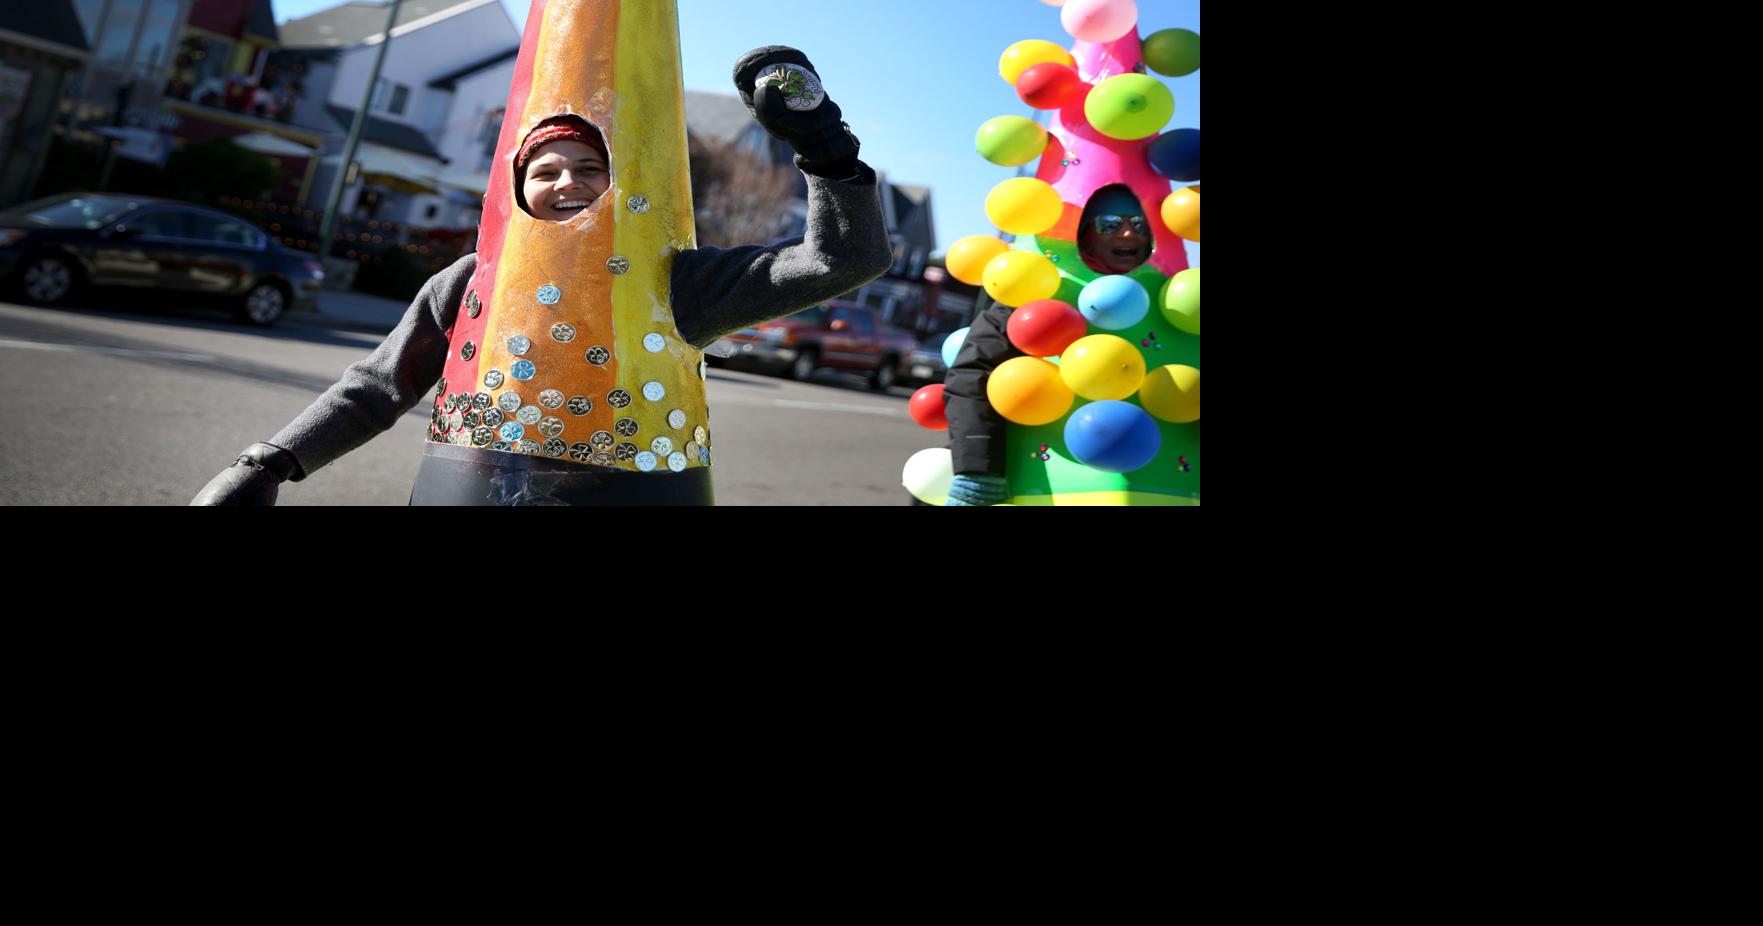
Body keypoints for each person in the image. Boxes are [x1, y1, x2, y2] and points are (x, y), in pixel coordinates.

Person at [193, 44, 891, 506]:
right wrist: (270, 461)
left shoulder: (682, 279)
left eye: (591, 168)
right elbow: (378, 386)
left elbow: (846, 259)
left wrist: (824, 150)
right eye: (546, 169)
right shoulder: (470, 280)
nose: (567, 183)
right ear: (517, 186)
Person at [942, 185, 1153, 506]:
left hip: (1155, 485)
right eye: (1110, 223)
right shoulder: (1033, 294)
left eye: (1139, 225)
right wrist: (978, 475)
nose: (1127, 234)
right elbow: (973, 374)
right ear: (1084, 234)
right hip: (1042, 485)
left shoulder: (1173, 304)